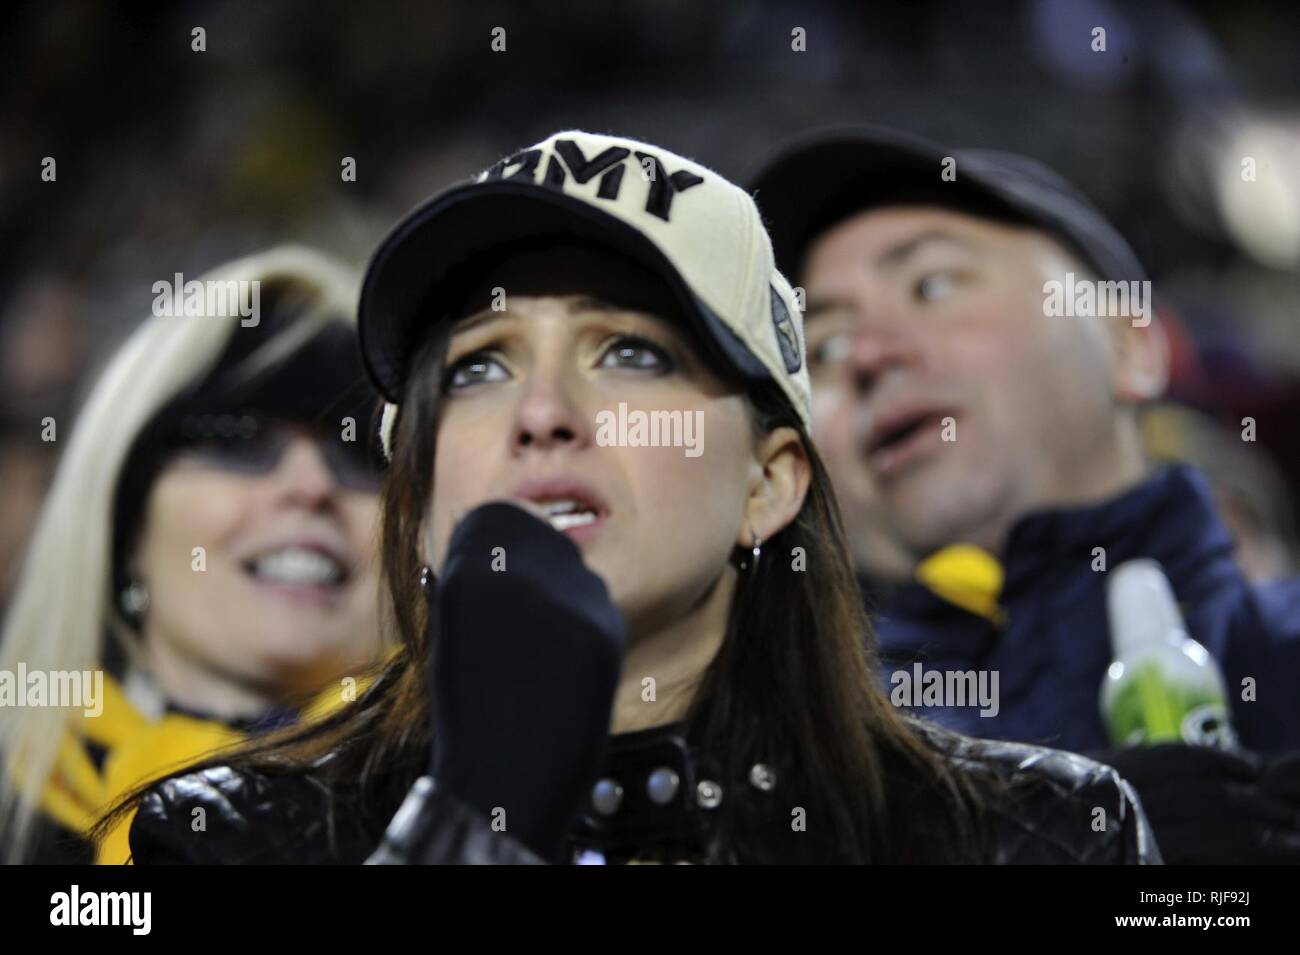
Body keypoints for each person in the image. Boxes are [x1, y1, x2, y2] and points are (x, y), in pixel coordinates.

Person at [120, 131, 1157, 864]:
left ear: (770, 482)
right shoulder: (233, 837)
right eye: (479, 366)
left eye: (629, 352)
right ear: (421, 490)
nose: (543, 412)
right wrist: (475, 823)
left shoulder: (1038, 832)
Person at [750, 124, 1300, 862]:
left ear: (1132, 345)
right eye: (825, 347)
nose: (871, 355)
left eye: (933, 284)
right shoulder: (781, 777)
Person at [0, 246, 386, 864]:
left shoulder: (495, 813)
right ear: (126, 530)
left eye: (361, 454)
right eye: (239, 442)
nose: (311, 486)